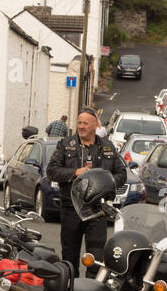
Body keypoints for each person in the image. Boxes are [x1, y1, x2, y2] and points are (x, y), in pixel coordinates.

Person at [46, 107, 126, 275]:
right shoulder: (66, 145)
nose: (81, 126)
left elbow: (122, 174)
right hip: (71, 208)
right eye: (79, 123)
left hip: (98, 211)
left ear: (95, 125)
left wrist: (106, 184)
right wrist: (75, 173)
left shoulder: (108, 147)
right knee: (69, 257)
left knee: (95, 258)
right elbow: (51, 171)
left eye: (85, 123)